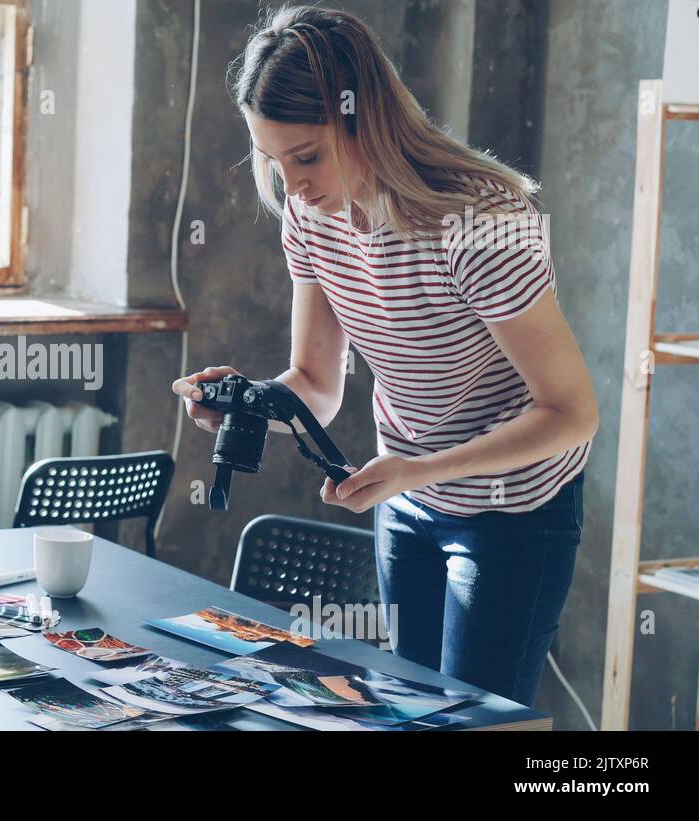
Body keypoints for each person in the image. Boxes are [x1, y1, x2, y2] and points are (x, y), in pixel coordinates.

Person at [171, 5, 598, 708]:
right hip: (405, 497)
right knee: (407, 710)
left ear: (363, 115)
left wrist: (420, 470)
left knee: (469, 720)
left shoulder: (480, 224)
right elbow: (314, 382)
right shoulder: (310, 215)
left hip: (512, 509)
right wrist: (252, 404)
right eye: (272, 160)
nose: (292, 186)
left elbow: (572, 412)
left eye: (306, 156)